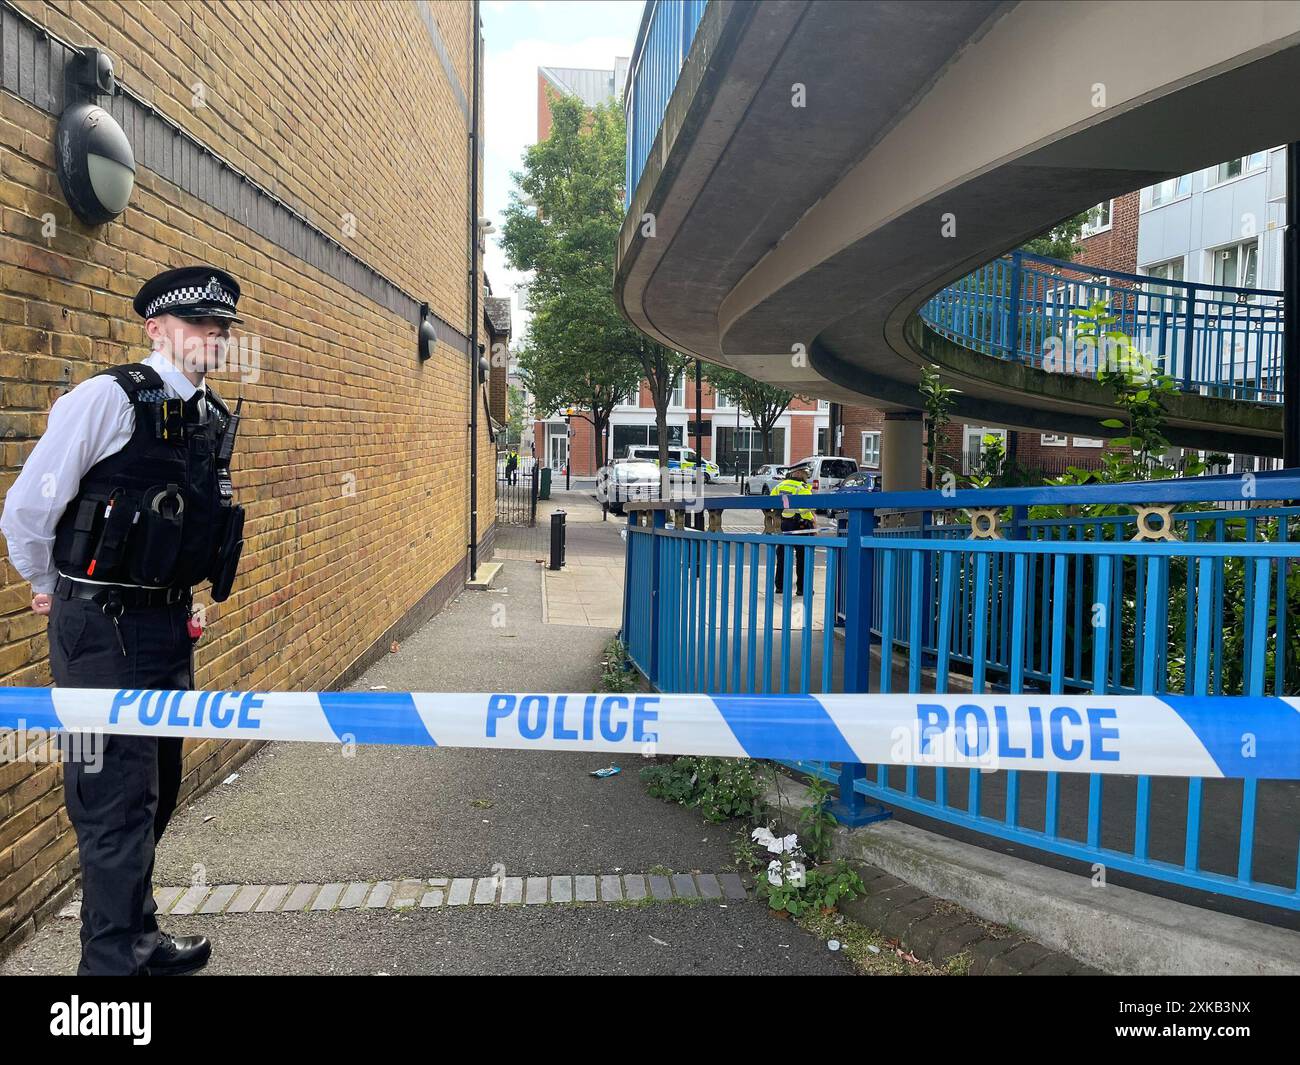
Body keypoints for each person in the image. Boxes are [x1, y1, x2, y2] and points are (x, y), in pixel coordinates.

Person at [0, 265, 248, 976]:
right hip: (101, 633)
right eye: (201, 323)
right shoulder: (106, 399)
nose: (215, 336)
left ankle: (137, 939)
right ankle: (107, 978)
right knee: (113, 808)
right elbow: (26, 510)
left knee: (155, 791)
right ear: (156, 330)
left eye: (223, 326)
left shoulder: (202, 414)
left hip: (164, 630)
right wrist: (55, 585)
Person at [770, 463, 815, 596]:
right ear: (799, 473)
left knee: (782, 555)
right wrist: (811, 520)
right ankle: (802, 588)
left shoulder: (780, 486)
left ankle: (780, 586)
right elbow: (808, 506)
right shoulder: (802, 487)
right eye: (805, 473)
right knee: (803, 557)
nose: (807, 475)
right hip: (801, 525)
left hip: (784, 524)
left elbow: (771, 501)